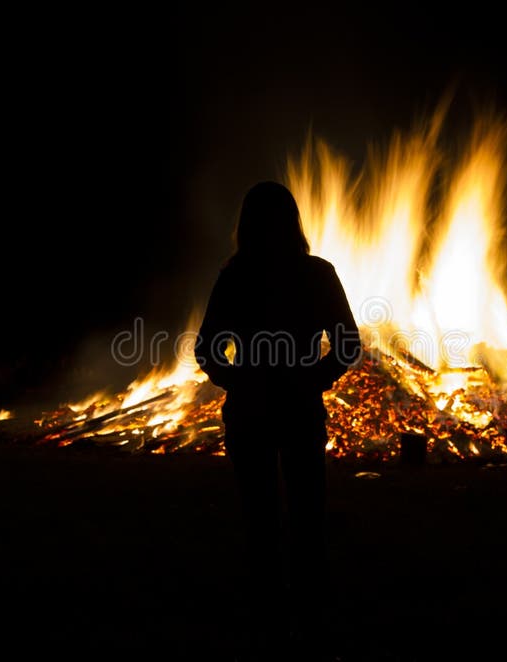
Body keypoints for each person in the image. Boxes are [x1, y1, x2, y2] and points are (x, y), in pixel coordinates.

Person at [194, 181, 362, 656]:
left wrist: (239, 378)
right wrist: (315, 378)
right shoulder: (316, 274)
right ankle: (309, 617)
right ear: (294, 223)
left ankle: (270, 618)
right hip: (297, 409)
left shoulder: (235, 276)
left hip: (252, 412)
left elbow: (207, 347)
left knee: (261, 517)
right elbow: (348, 345)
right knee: (307, 514)